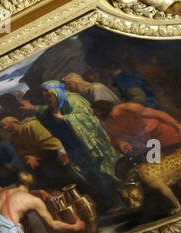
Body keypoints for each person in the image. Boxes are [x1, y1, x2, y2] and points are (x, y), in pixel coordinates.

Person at [36, 80, 123, 212]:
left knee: (101, 172)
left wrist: (66, 118)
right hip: (74, 147)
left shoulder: (73, 99)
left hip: (88, 144)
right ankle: (110, 203)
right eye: (44, 95)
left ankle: (118, 202)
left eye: (48, 94)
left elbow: (88, 118)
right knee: (89, 176)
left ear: (55, 91)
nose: (47, 98)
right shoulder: (55, 105)